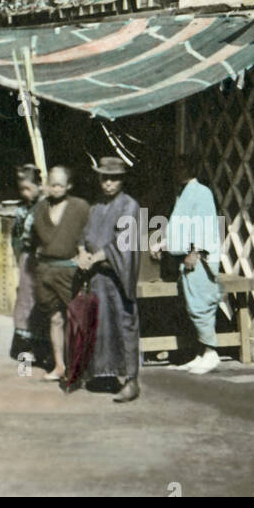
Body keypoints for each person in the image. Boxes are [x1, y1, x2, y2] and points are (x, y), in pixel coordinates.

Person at [74, 157, 142, 402]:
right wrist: (82, 252)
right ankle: (107, 373)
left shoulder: (129, 206)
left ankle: (131, 380)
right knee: (101, 325)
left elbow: (124, 243)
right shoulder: (96, 206)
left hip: (116, 277)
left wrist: (97, 257)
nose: (108, 183)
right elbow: (83, 235)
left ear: (122, 180)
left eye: (114, 178)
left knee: (123, 324)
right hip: (96, 278)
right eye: (104, 178)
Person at [155, 154, 226, 374]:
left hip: (200, 260)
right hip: (186, 258)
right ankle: (201, 352)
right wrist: (163, 244)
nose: (178, 170)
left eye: (183, 166)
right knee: (191, 305)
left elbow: (206, 228)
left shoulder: (201, 192)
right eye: (176, 166)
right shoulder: (183, 193)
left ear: (192, 169)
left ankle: (211, 353)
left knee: (201, 305)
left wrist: (195, 253)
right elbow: (182, 228)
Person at [30, 165, 92, 382]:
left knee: (77, 318)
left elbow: (89, 233)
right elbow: (32, 238)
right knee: (54, 319)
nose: (54, 189)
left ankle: (80, 367)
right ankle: (59, 365)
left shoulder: (80, 207)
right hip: (45, 270)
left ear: (69, 186)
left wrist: (83, 252)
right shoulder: (39, 208)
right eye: (51, 184)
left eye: (59, 185)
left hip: (69, 271)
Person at [10, 164, 44, 356]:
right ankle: (25, 356)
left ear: (39, 185)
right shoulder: (22, 209)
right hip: (26, 259)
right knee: (25, 299)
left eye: (28, 189)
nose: (24, 193)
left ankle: (41, 350)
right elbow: (16, 236)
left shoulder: (46, 206)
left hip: (41, 260)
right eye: (21, 189)